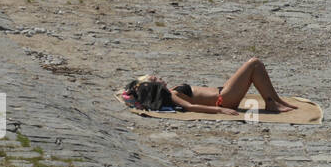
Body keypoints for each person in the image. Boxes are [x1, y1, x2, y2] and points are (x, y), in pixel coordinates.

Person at [125, 58, 297, 115]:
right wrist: (220, 111)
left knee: (254, 66)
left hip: (223, 94)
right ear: (153, 86)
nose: (160, 78)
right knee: (254, 64)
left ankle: (275, 100)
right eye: (156, 78)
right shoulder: (170, 94)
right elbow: (191, 107)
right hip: (223, 100)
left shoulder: (171, 92)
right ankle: (273, 102)